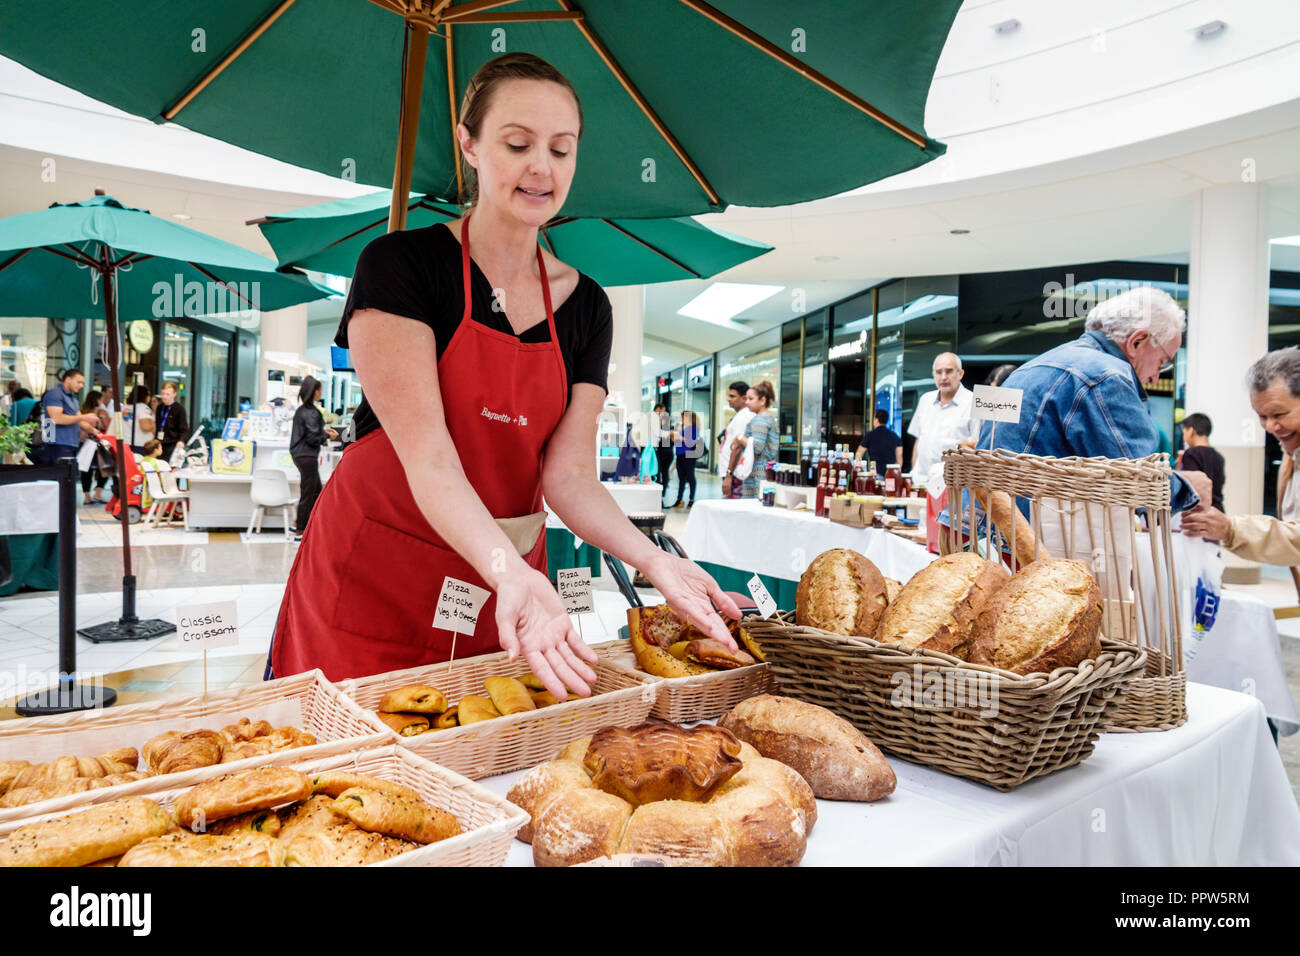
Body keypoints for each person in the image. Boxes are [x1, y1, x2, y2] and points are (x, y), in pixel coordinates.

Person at [266, 52, 739, 695]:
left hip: (509, 583)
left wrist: (654, 560)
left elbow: (567, 475)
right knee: (355, 771)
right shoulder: (399, 267)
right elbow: (430, 458)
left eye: (562, 149)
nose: (542, 167)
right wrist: (507, 569)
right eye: (517, 144)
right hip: (381, 563)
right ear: (469, 145)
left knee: (485, 750)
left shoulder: (587, 307)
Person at [973, 286, 1207, 511]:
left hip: (970, 526)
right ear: (1137, 342)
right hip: (1022, 541)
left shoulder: (1032, 366)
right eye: (1162, 362)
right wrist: (1188, 487)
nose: (1156, 378)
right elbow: (1141, 488)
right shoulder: (1107, 377)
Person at [1184, 348, 1300, 560]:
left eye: (1279, 414)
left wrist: (1233, 530)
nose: (1271, 426)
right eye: (1262, 416)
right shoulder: (1291, 456)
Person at [908, 352, 977, 494]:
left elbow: (977, 446)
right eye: (939, 372)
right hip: (921, 484)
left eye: (949, 371)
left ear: (961, 373)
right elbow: (919, 440)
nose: (943, 377)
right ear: (933, 374)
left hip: (953, 489)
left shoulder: (973, 402)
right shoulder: (925, 400)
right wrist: (915, 473)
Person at [289, 375, 338, 542]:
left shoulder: (302, 410)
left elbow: (309, 433)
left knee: (316, 490)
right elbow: (312, 437)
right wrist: (328, 437)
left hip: (299, 454)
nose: (320, 393)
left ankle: (304, 523)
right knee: (308, 492)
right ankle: (300, 531)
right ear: (315, 392)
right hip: (307, 455)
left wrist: (323, 434)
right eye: (319, 390)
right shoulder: (312, 413)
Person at [35, 369, 99, 466]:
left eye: (82, 383)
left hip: (71, 444)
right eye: (79, 382)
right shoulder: (55, 393)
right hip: (57, 444)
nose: (81, 386)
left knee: (69, 478)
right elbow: (56, 418)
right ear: (68, 379)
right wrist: (83, 417)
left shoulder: (73, 398)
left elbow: (79, 419)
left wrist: (94, 431)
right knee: (59, 478)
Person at [730, 381, 778, 498]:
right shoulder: (768, 418)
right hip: (765, 470)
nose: (747, 403)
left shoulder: (760, 420)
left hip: (758, 473)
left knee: (754, 506)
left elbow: (756, 447)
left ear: (762, 400)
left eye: (751, 399)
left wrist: (739, 438)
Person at [1178, 412, 1224, 512]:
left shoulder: (1191, 454)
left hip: (1200, 513)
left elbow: (1190, 487)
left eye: (1184, 433)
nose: (1183, 437)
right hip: (1218, 511)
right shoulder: (1219, 457)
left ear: (1190, 431)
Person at [718, 380, 753, 499]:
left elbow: (737, 447)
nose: (728, 399)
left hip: (734, 475)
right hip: (732, 474)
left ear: (744, 398)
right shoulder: (739, 415)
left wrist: (729, 475)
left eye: (732, 396)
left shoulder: (744, 416)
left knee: (730, 510)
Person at [78, 390, 110, 503]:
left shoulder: (81, 412)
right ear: (97, 400)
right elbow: (107, 427)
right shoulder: (101, 412)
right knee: (105, 468)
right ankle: (97, 493)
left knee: (86, 470)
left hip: (84, 444)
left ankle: (87, 496)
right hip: (97, 444)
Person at [668, 410, 700, 509]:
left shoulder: (694, 429)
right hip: (680, 454)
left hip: (689, 454)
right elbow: (678, 441)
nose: (682, 419)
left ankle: (691, 500)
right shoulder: (683, 428)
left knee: (690, 476)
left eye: (683, 417)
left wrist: (679, 436)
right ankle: (679, 500)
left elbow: (690, 442)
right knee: (681, 477)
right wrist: (673, 436)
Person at [855, 408, 901, 476]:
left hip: (875, 473)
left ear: (876, 420)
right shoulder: (895, 436)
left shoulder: (870, 435)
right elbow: (899, 457)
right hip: (890, 474)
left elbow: (859, 453)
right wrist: (897, 473)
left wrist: (859, 470)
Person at [155, 381, 190, 463]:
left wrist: (181, 441)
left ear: (174, 394)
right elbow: (158, 426)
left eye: (167, 394)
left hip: (173, 444)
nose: (164, 397)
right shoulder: (160, 407)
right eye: (162, 393)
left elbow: (184, 430)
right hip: (160, 443)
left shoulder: (179, 409)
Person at [123, 385, 155, 453]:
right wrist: (157, 425)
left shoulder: (124, 407)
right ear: (145, 396)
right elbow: (146, 427)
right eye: (148, 395)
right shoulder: (143, 408)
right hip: (140, 444)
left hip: (125, 443)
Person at [652, 403, 673, 501]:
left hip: (665, 452)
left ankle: (661, 494)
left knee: (663, 473)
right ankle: (658, 494)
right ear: (658, 410)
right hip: (657, 451)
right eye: (662, 412)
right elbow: (659, 434)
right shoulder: (653, 420)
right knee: (657, 472)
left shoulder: (665, 423)